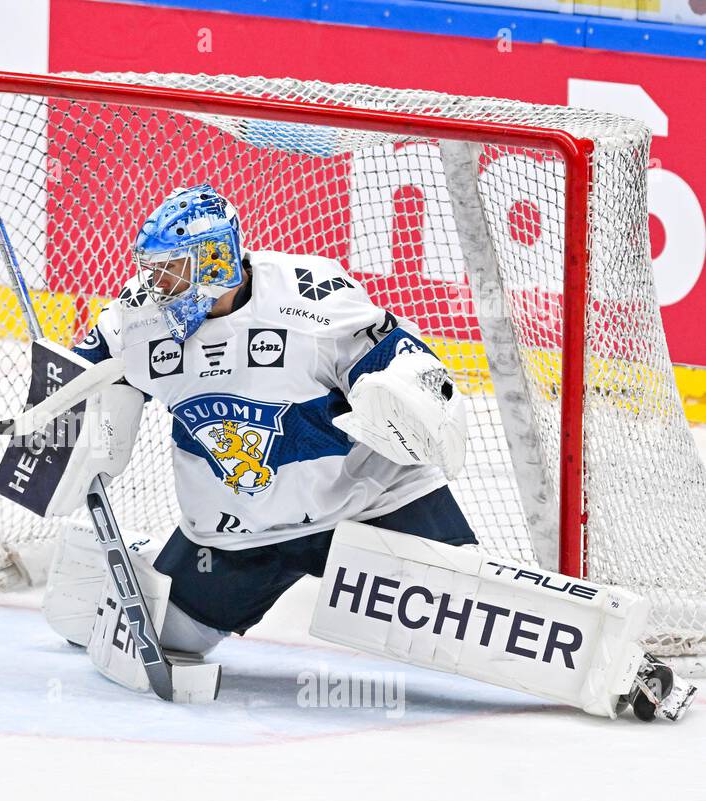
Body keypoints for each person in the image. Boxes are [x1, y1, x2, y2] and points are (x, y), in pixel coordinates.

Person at [62, 183, 474, 658]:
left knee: (460, 622)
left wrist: (408, 391)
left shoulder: (311, 296)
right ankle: (128, 566)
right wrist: (60, 415)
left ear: (215, 260)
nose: (157, 285)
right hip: (237, 532)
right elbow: (76, 383)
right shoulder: (135, 319)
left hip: (370, 501)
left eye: (172, 269)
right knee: (170, 636)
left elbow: (399, 357)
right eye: (153, 269)